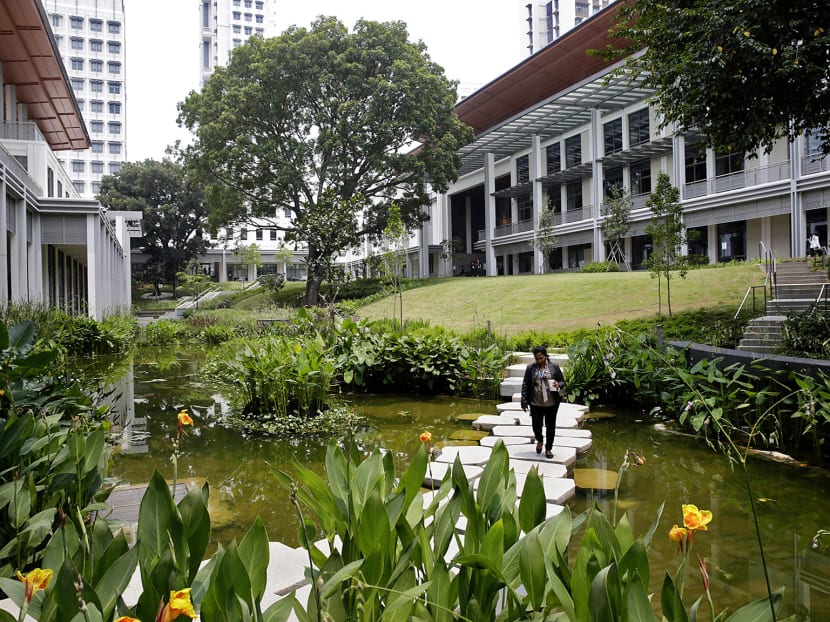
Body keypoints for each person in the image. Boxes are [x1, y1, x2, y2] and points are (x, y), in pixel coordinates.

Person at [520, 346, 566, 459]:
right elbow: (525, 384)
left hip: (552, 403)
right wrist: (524, 401)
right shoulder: (531, 368)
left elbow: (562, 382)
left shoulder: (554, 367)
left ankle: (548, 448)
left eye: (541, 358)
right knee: (536, 425)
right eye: (537, 359)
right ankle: (539, 440)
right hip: (536, 403)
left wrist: (558, 384)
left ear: (546, 356)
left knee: (550, 426)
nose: (539, 361)